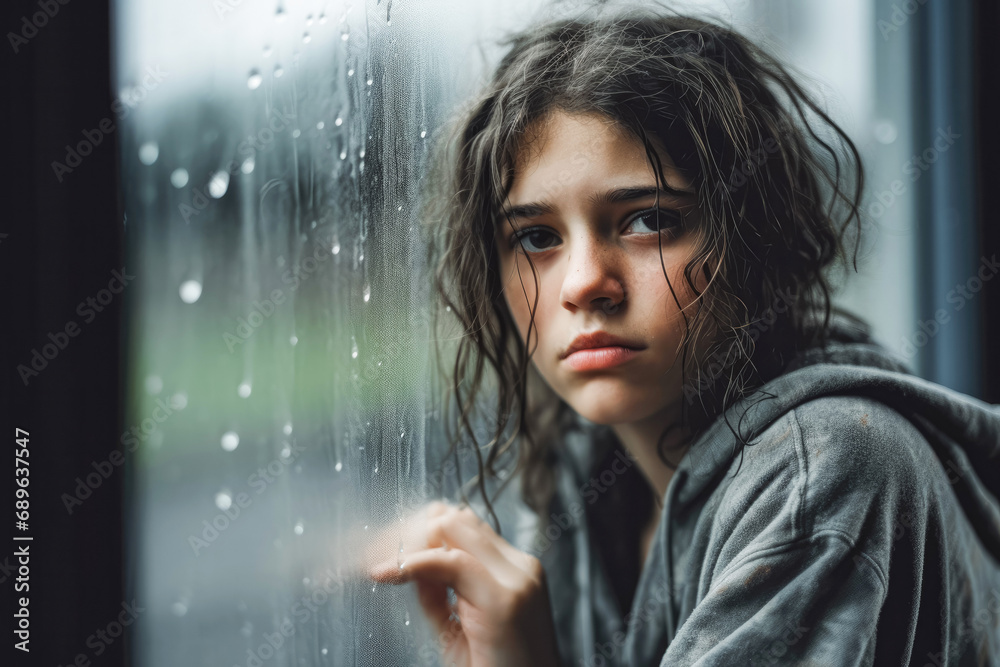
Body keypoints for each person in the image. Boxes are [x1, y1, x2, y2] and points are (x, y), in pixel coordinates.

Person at [365, 7, 1000, 666]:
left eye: (648, 221)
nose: (584, 284)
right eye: (536, 237)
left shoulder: (823, 470)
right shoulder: (582, 474)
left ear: (753, 235)